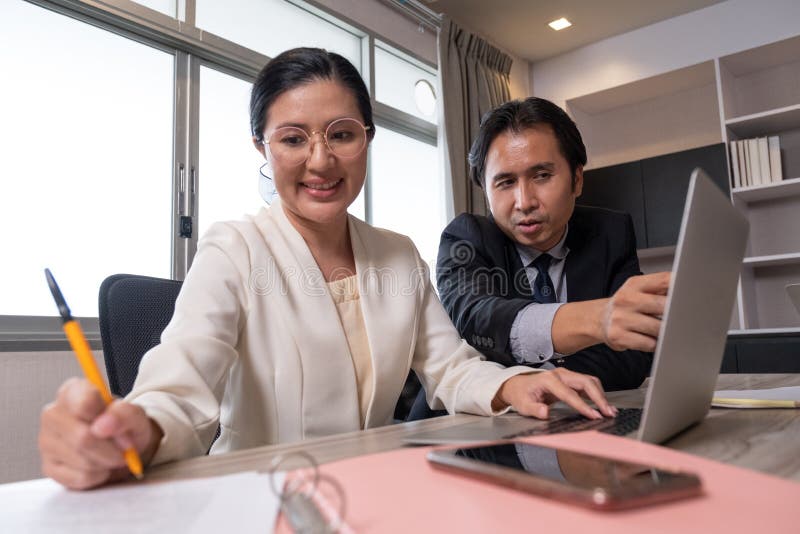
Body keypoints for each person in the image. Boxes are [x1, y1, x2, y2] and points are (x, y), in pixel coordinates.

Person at [38, 49, 616, 490]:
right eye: (293, 139)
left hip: (368, 491)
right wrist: (133, 429)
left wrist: (516, 383)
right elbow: (179, 392)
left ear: (367, 138)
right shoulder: (232, 249)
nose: (320, 160)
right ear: (262, 147)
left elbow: (451, 368)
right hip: (262, 496)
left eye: (341, 134)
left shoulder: (396, 254)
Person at [410, 97, 669, 419]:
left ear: (577, 179)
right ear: (485, 191)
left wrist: (546, 375)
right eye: (505, 182)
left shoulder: (610, 233)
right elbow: (476, 320)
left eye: (542, 175)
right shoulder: (465, 238)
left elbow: (632, 355)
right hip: (461, 428)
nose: (524, 201)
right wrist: (598, 321)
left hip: (572, 418)